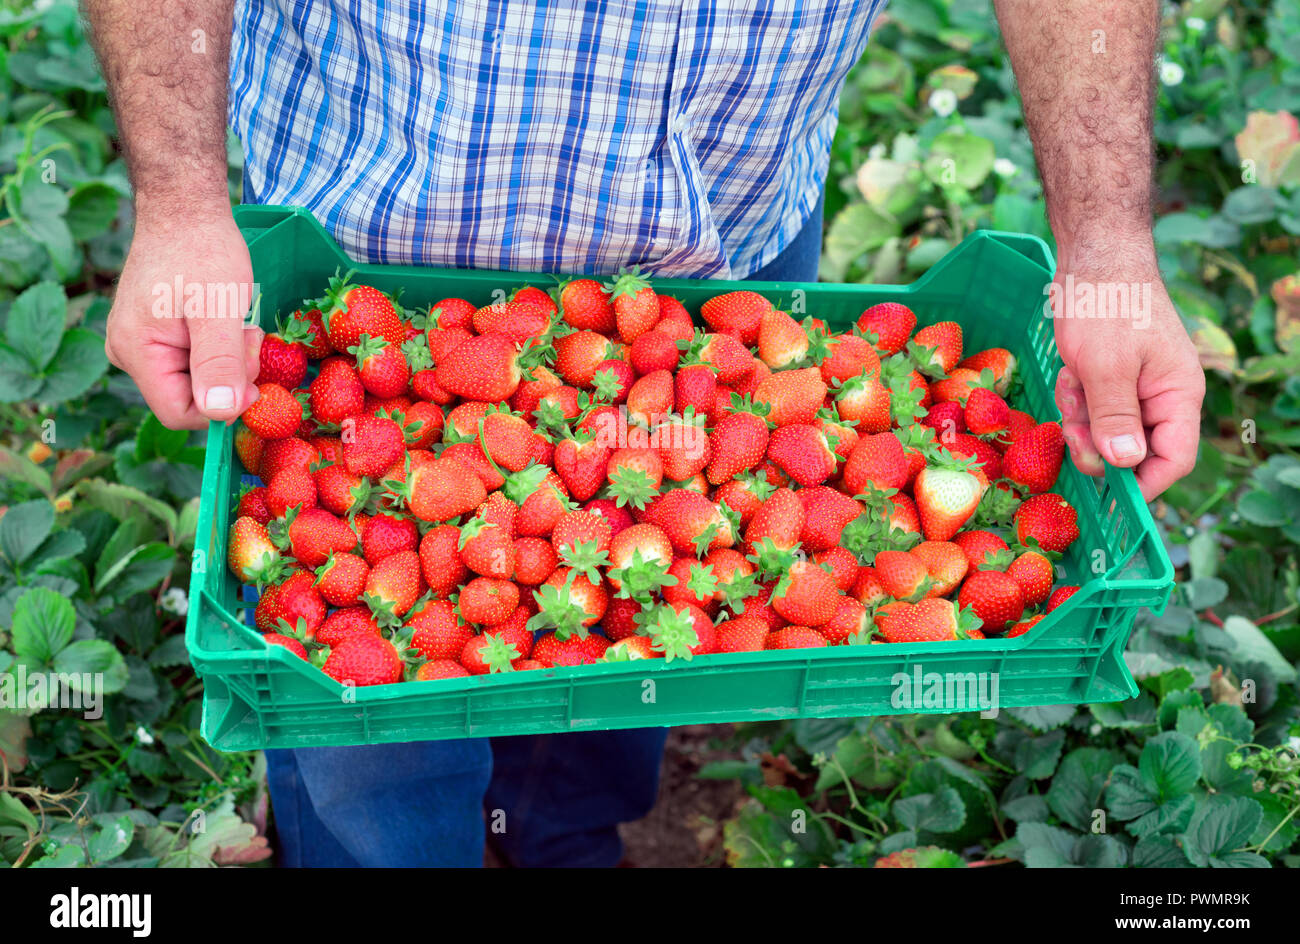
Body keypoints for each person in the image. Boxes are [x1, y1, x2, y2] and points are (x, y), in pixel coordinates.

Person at [86, 0, 1205, 866]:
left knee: (640, 658)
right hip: (366, 244)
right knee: (370, 751)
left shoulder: (742, 437)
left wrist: (1106, 250)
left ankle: (561, 839)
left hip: (726, 240)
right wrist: (180, 200)